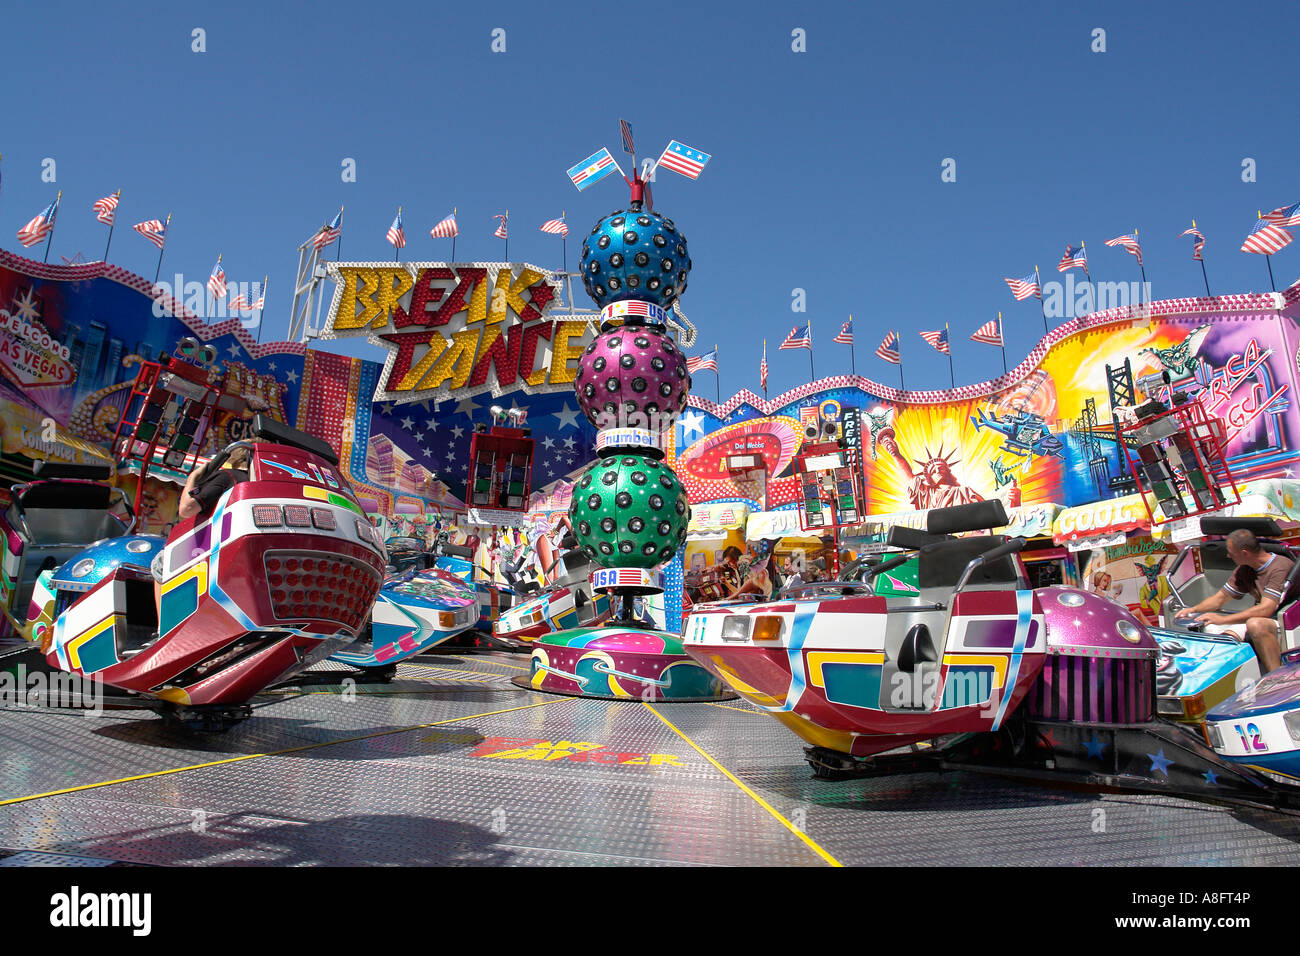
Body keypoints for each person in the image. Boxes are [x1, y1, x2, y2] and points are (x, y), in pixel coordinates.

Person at [1175, 529, 1297, 673]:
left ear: (1244, 553)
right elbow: (1220, 598)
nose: (1228, 556)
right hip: (1264, 616)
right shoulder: (1245, 569)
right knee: (1226, 639)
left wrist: (1223, 619)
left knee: (1255, 624)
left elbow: (1266, 609)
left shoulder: (1280, 567)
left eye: (1231, 553)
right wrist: (1193, 610)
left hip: (1287, 618)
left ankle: (1276, 676)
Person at [153, 446, 252, 614]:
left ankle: (162, 628)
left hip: (214, 544)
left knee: (161, 563)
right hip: (240, 546)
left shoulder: (227, 476)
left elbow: (186, 509)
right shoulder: (256, 482)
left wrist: (193, 477)